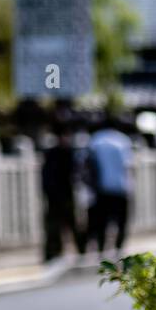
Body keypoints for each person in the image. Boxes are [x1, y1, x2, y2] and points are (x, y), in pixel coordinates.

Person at [40, 112, 87, 261]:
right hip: (60, 194)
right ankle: (56, 252)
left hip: (62, 194)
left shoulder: (63, 153)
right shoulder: (63, 152)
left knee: (67, 225)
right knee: (58, 226)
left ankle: (77, 252)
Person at [86, 115, 134, 253]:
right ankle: (119, 249)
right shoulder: (123, 140)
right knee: (121, 222)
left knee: (101, 222)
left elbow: (89, 163)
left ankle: (101, 250)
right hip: (121, 187)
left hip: (101, 188)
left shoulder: (95, 140)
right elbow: (128, 165)